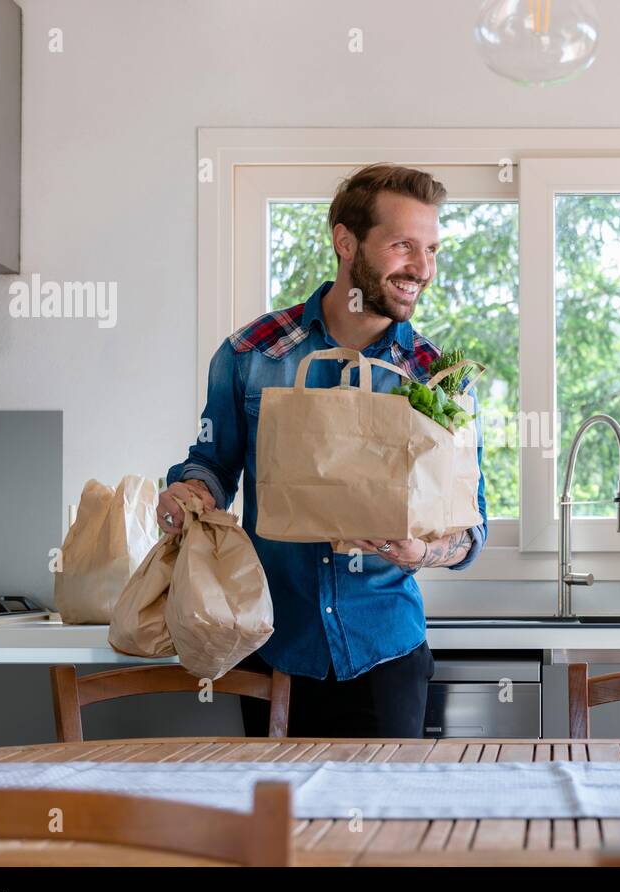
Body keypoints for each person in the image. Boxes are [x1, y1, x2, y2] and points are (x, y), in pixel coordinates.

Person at [158, 163, 487, 738]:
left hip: (385, 654)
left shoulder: (439, 378)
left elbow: (469, 529)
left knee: (385, 827)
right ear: (345, 242)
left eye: (431, 249)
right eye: (404, 246)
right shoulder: (250, 355)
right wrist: (189, 493)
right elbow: (212, 465)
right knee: (276, 828)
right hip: (271, 648)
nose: (423, 268)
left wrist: (423, 553)